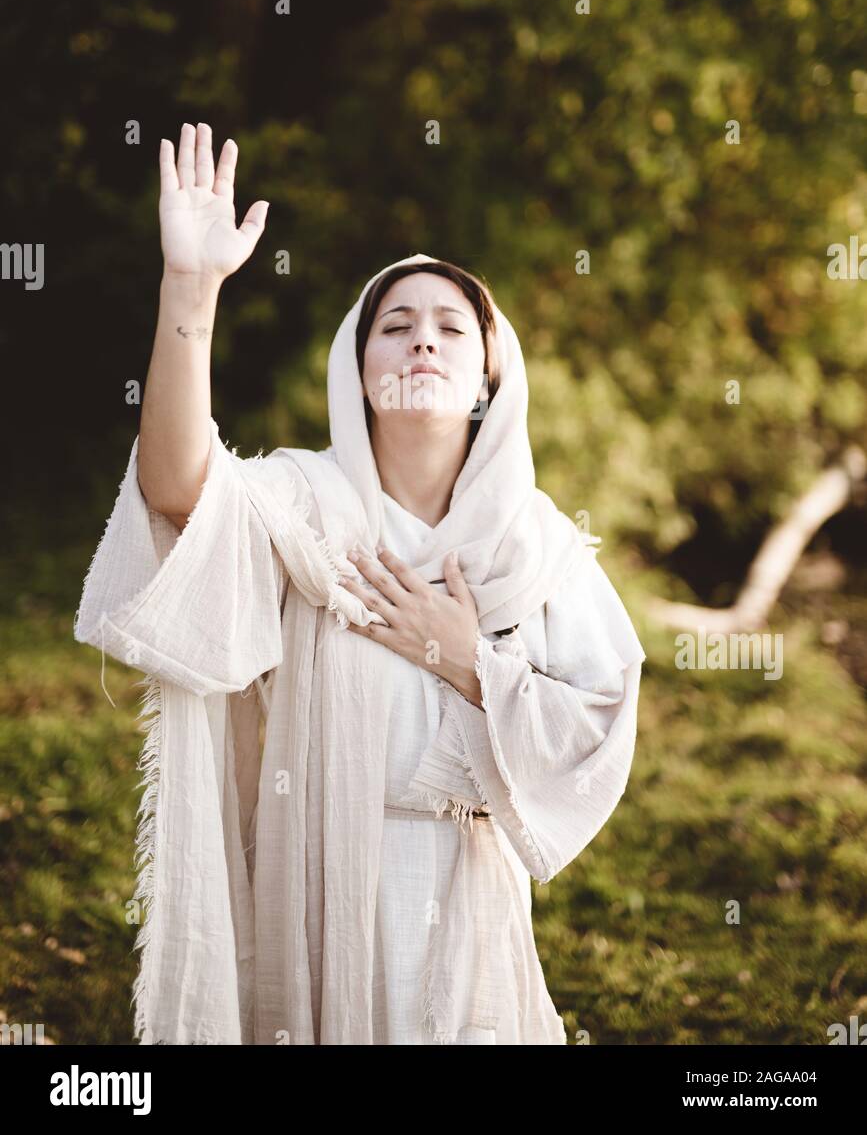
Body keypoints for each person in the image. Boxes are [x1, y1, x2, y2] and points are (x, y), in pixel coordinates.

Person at [74, 123, 647, 1045]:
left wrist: (469, 665)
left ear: (488, 380)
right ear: (358, 368)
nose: (422, 341)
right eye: (395, 326)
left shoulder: (535, 546)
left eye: (451, 327)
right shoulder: (302, 502)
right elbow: (179, 492)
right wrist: (190, 291)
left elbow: (595, 729)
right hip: (315, 881)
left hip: (466, 898)